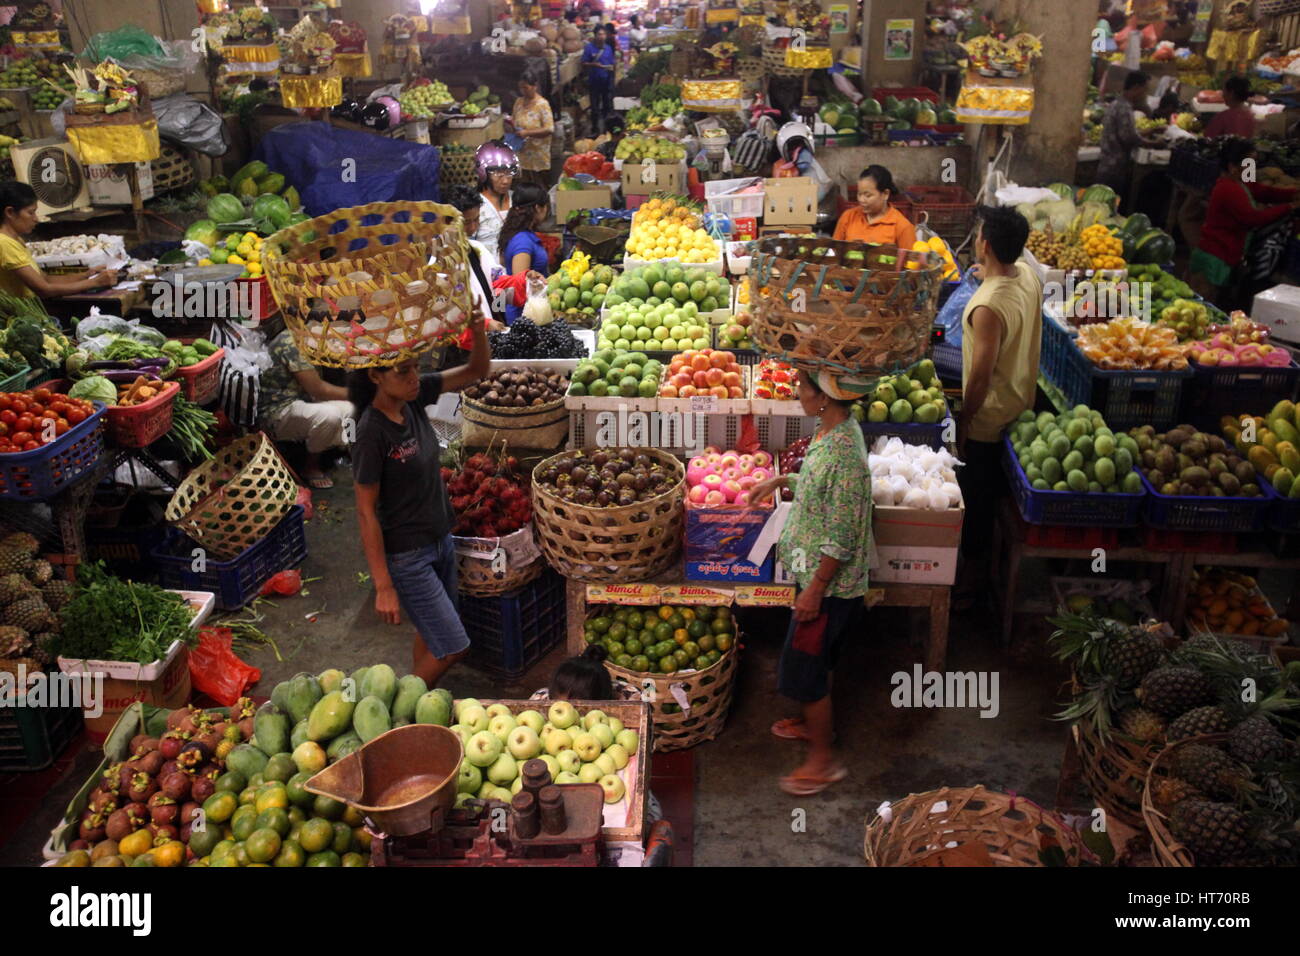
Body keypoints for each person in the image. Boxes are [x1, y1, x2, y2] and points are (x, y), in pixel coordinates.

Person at [749, 370, 872, 797]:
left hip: (830, 590)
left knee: (803, 669)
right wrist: (784, 481)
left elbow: (840, 536)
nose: (795, 391)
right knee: (820, 661)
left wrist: (814, 590)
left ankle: (823, 761)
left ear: (824, 396)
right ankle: (813, 723)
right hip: (820, 581)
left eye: (801, 386)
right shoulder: (833, 431)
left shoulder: (844, 454)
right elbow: (823, 490)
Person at [349, 321, 491, 688]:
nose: (415, 376)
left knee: (433, 634)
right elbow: (365, 512)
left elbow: (477, 370)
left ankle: (423, 699)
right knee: (455, 647)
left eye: (415, 366)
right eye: (403, 371)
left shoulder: (413, 397)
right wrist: (383, 585)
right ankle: (400, 715)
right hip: (408, 556)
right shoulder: (371, 432)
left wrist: (477, 330)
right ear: (376, 376)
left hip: (440, 540)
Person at [955, 206, 1041, 607]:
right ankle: (989, 570)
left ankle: (972, 584)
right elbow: (1005, 281)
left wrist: (966, 419)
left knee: (978, 504)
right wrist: (985, 276)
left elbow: (980, 376)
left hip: (989, 420)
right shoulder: (1025, 275)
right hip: (1021, 405)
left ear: (984, 244)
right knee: (997, 498)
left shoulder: (987, 308)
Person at [1189, 139, 1300, 304]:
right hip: (1216, 256)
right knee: (1204, 303)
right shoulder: (1228, 188)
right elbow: (1252, 218)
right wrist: (1289, 206)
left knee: (1217, 301)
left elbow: (1258, 190)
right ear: (1233, 167)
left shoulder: (1239, 180)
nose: (1253, 167)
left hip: (1227, 253)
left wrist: (1292, 194)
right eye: (1249, 163)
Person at [257, 330, 354, 490]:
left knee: (352, 410)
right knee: (330, 416)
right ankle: (311, 466)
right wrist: (360, 394)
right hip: (278, 410)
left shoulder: (317, 336)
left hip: (303, 400)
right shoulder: (291, 341)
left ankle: (352, 451)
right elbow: (317, 389)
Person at [0, 182, 115, 299]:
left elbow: (46, 279)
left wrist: (86, 275)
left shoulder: (16, 239)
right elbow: (44, 289)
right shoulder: (5, 244)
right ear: (10, 212)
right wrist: (95, 283)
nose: (36, 219)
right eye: (31, 212)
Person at [441, 184, 505, 331]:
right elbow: (444, 313)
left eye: (476, 220)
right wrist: (486, 324)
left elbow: (500, 283)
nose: (473, 228)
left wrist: (498, 311)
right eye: (466, 222)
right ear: (446, 221)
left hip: (489, 338)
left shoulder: (477, 249)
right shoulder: (438, 260)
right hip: (460, 346)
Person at [1097, 71, 1161, 206]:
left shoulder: (1116, 104)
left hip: (1106, 165)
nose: (1145, 94)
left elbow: (1126, 132)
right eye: (1145, 90)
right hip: (1114, 168)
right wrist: (1155, 144)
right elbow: (1129, 138)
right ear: (1136, 88)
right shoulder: (1124, 108)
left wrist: (1151, 130)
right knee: (1109, 207)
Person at [497, 182, 551, 325]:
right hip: (524, 317)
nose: (546, 210)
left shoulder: (518, 234)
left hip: (532, 311)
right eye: (545, 206)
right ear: (537, 208)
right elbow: (520, 283)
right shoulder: (523, 242)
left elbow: (503, 264)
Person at [833, 165, 917, 249]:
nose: (862, 200)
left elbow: (911, 261)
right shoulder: (848, 217)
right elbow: (833, 252)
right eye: (859, 194)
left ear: (885, 194)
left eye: (868, 195)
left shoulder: (902, 227)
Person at [511, 69, 555, 187]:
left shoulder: (542, 104)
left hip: (538, 155)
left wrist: (527, 133)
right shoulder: (518, 102)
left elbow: (549, 129)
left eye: (526, 88)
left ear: (534, 86)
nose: (523, 91)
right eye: (521, 88)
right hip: (522, 152)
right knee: (524, 185)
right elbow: (514, 121)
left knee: (540, 185)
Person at [473, 141, 517, 251]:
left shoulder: (517, 199)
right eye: (498, 174)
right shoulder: (475, 205)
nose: (505, 181)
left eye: (509, 173)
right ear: (483, 173)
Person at [583, 23, 617, 135]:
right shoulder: (589, 48)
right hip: (594, 81)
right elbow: (583, 63)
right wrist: (593, 64)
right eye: (599, 34)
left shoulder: (608, 48)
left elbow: (612, 62)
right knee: (594, 106)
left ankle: (607, 128)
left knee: (607, 104)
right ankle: (595, 129)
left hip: (606, 80)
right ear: (595, 35)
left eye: (603, 34)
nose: (601, 37)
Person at [1203, 74, 1256, 140]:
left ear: (1231, 93)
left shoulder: (1223, 117)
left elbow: (1207, 138)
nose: (1222, 95)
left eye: (1224, 91)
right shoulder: (1250, 115)